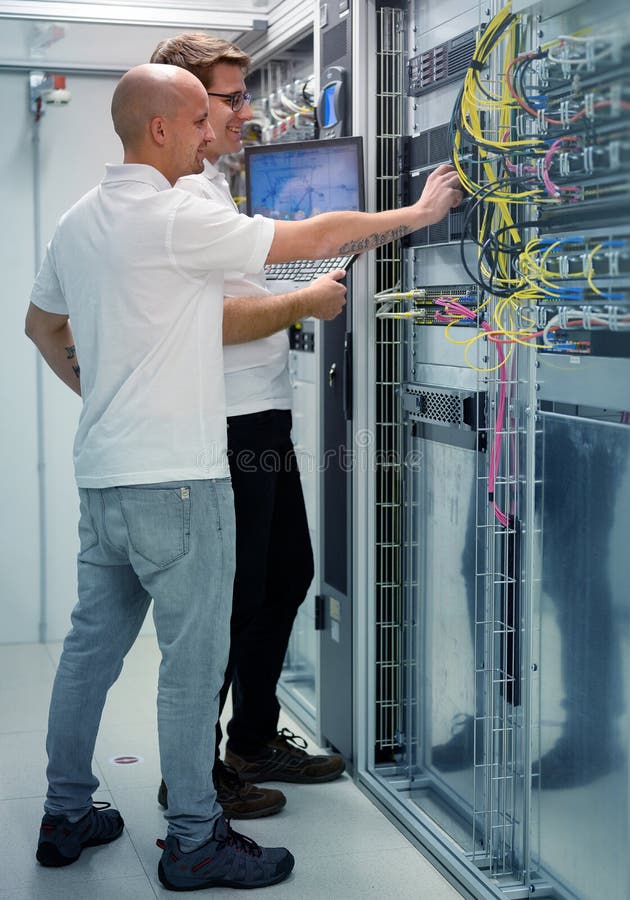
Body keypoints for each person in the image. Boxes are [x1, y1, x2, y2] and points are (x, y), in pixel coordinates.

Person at [26, 61, 462, 892]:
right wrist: (418, 211)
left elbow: (41, 326)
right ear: (160, 129)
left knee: (89, 655)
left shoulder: (79, 221)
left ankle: (66, 812)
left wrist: (104, 393)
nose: (211, 133)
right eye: (200, 119)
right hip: (183, 481)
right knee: (193, 669)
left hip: (105, 474)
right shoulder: (173, 216)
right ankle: (194, 839)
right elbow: (311, 238)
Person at [148, 30, 460, 821]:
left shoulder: (214, 186)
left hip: (261, 417)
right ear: (186, 105)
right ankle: (192, 775)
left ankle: (251, 739)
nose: (247, 111)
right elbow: (217, 312)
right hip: (227, 427)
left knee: (285, 577)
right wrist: (416, 213)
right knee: (235, 598)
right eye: (233, 98)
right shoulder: (183, 200)